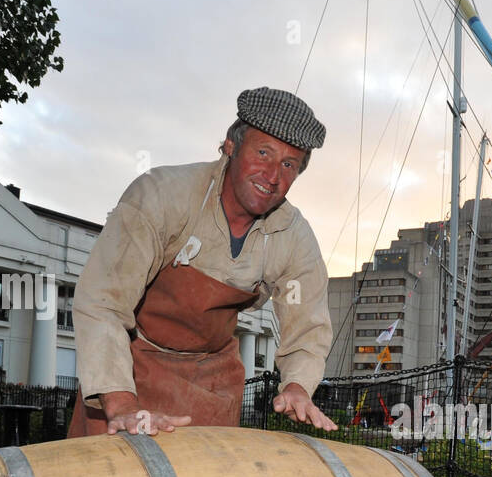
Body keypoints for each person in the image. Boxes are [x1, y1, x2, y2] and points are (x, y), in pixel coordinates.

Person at [68, 86, 337, 437]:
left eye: (289, 165)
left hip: (213, 382)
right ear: (231, 147)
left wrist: (298, 386)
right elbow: (102, 302)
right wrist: (121, 405)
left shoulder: (294, 238)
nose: (273, 176)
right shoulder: (162, 195)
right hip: (130, 370)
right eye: (263, 153)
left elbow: (309, 326)